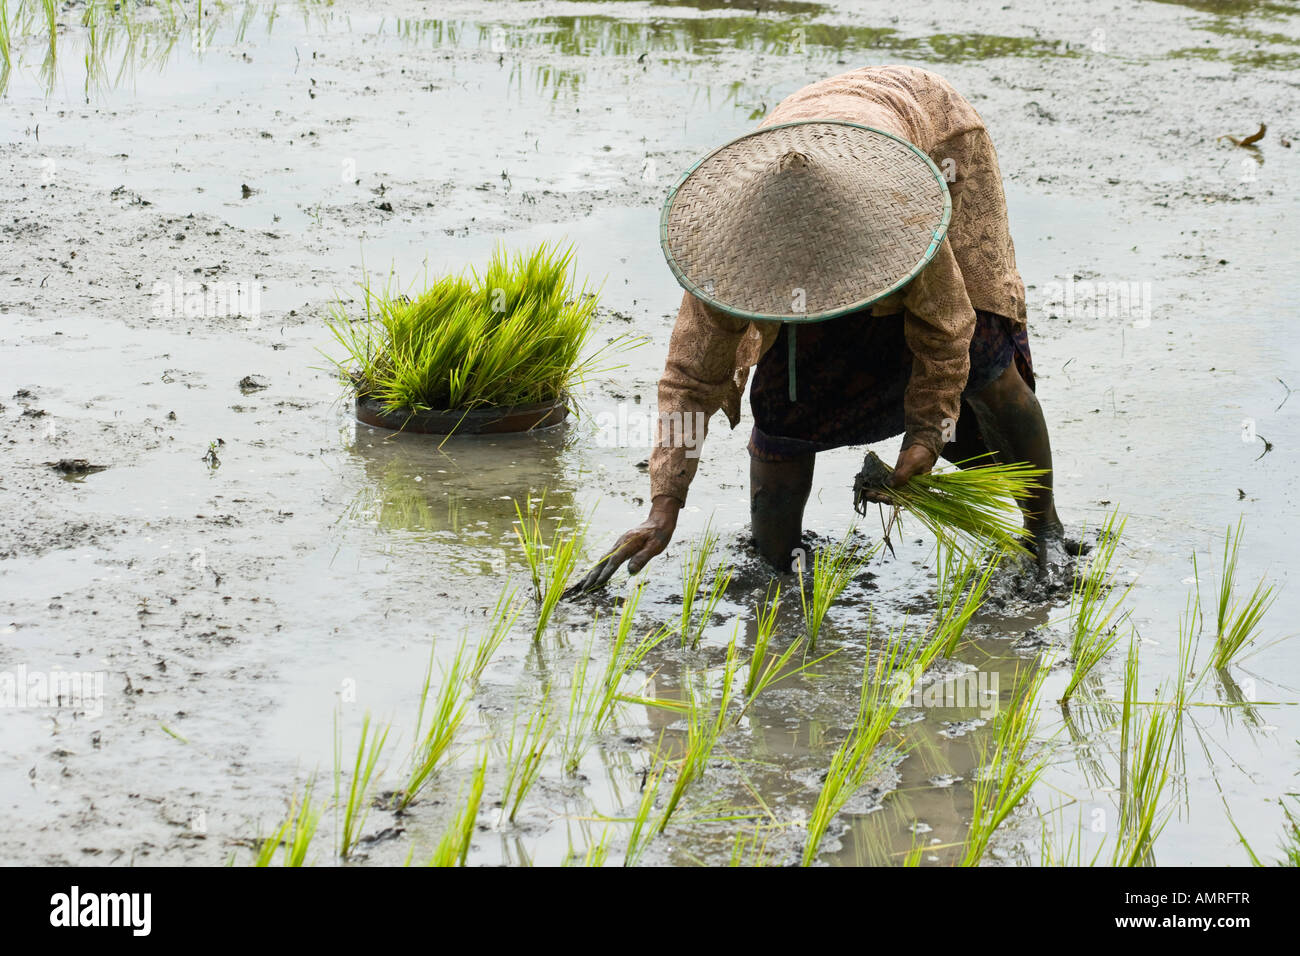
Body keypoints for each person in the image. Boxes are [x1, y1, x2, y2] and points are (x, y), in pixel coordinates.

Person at [574, 64, 1068, 592]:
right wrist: (663, 505)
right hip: (807, 153)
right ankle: (776, 564)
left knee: (985, 355)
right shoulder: (727, 256)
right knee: (786, 391)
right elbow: (690, 383)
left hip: (930, 135)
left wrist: (927, 433)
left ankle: (1045, 528)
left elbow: (948, 330)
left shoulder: (903, 219)